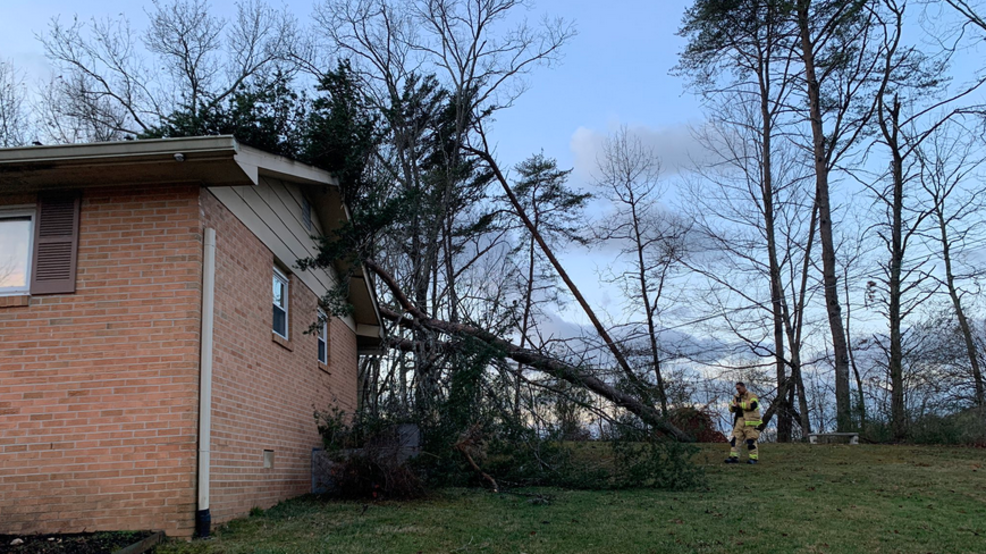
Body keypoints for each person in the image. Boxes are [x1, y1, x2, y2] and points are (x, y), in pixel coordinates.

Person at [725, 382, 762, 464]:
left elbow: (753, 405)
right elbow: (731, 407)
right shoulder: (736, 397)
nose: (738, 390)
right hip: (739, 421)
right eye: (736, 389)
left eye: (739, 388)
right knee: (736, 440)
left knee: (751, 440)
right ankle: (733, 457)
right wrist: (732, 407)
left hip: (750, 422)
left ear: (744, 387)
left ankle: (753, 458)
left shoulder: (752, 395)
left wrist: (740, 405)